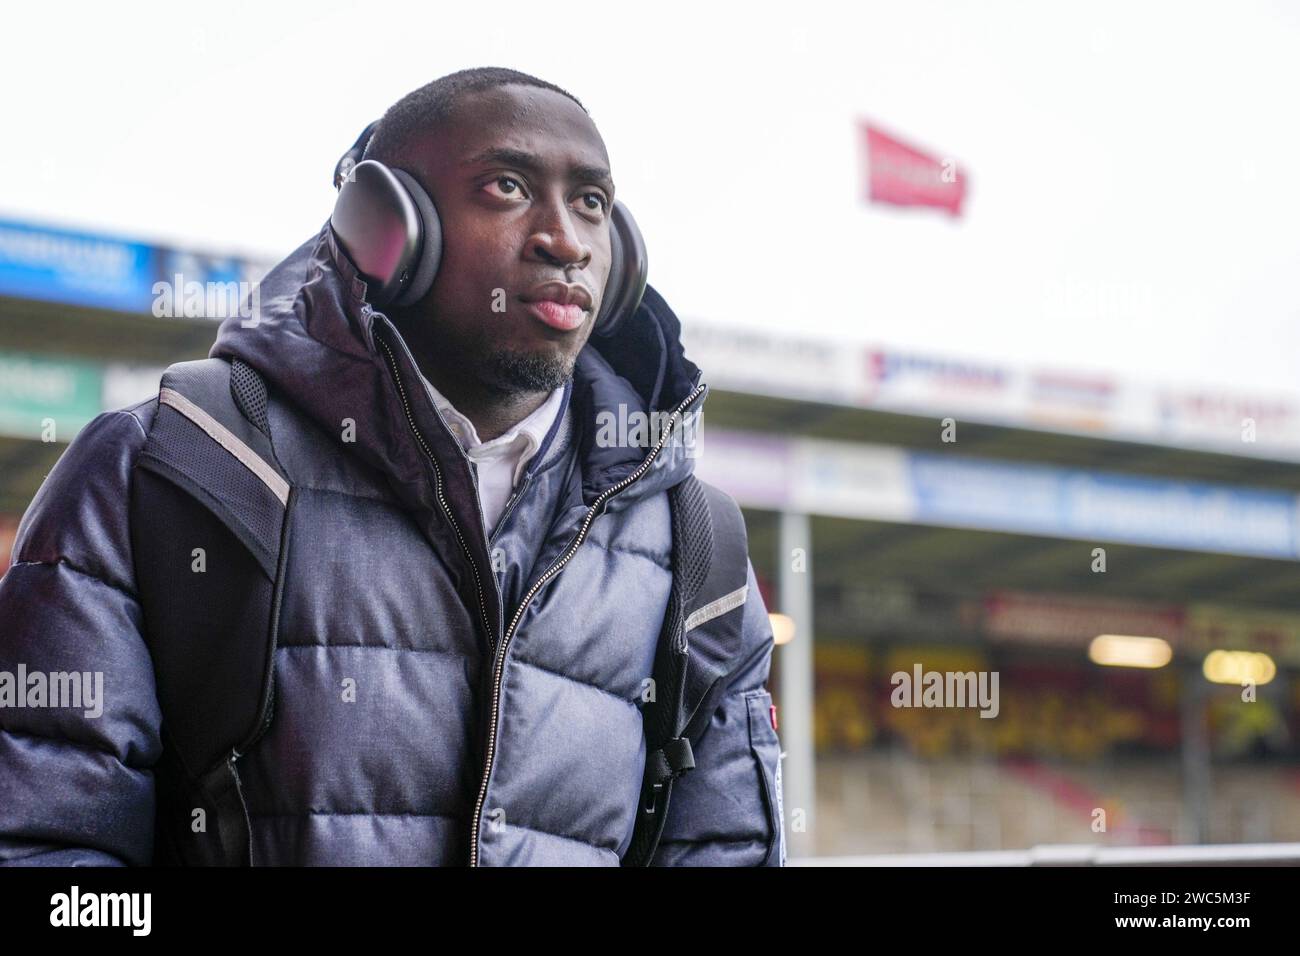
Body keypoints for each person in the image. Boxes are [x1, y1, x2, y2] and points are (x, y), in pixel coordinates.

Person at [0, 67, 785, 866]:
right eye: (508, 187)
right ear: (385, 229)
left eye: (591, 202)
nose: (566, 239)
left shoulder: (698, 543)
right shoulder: (170, 466)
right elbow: (48, 855)